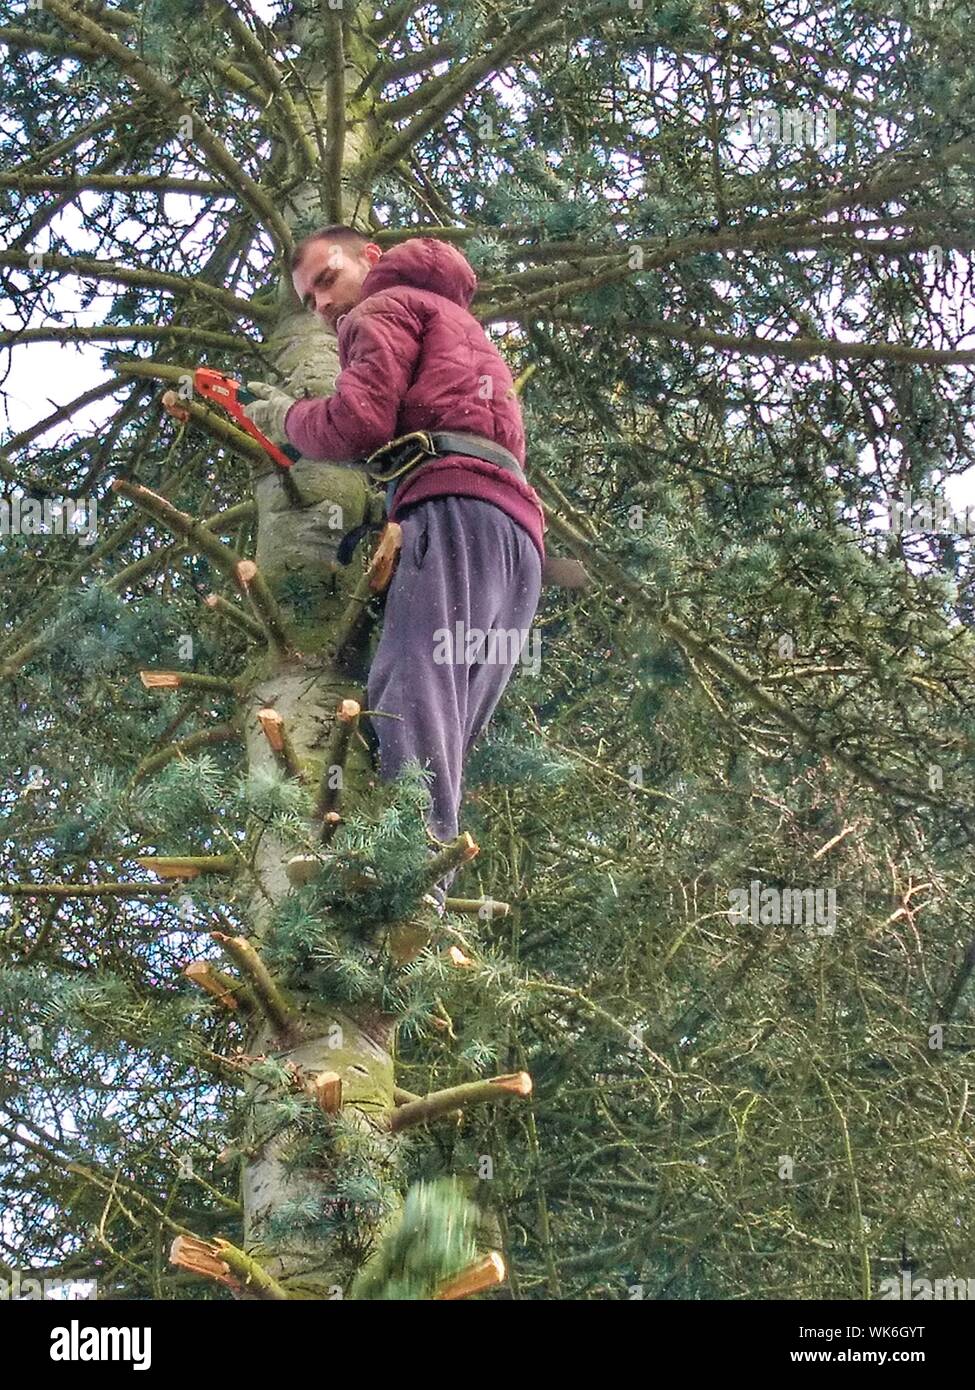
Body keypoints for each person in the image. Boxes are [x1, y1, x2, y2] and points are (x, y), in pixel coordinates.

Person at [242, 226, 546, 911]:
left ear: (370, 259)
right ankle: (420, 879)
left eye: (326, 278)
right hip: (514, 531)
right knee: (448, 710)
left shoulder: (382, 306)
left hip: (452, 504)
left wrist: (286, 417)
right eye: (308, 297)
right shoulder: (453, 318)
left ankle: (410, 871)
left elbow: (361, 421)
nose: (320, 304)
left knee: (412, 681)